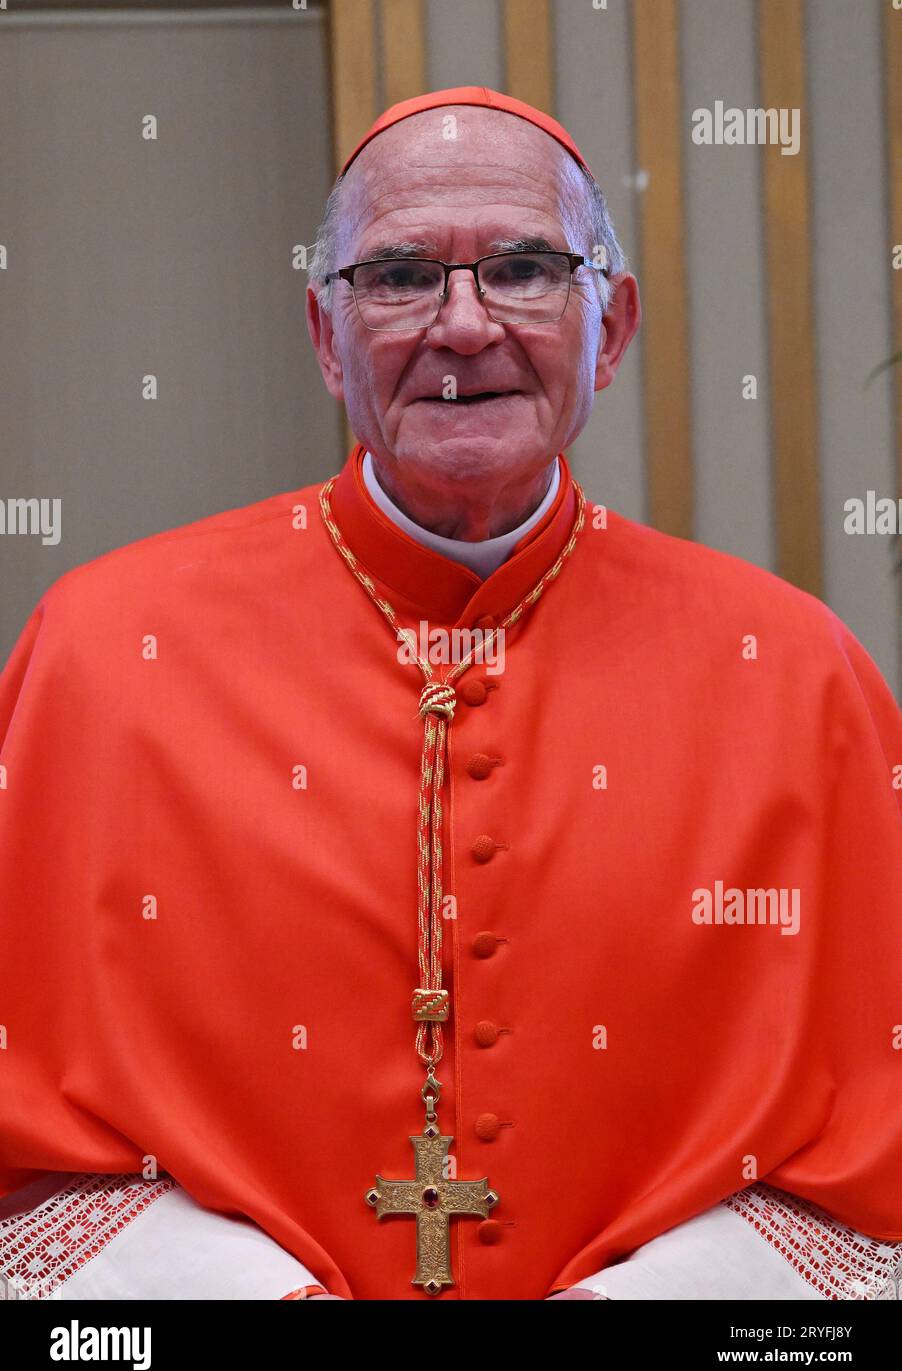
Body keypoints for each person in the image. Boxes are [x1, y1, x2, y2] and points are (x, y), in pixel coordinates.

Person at [0, 87, 900, 1302]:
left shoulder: (796, 674)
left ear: (611, 324)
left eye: (524, 269)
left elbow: (867, 1169)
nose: (463, 325)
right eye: (399, 276)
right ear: (325, 336)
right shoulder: (100, 657)